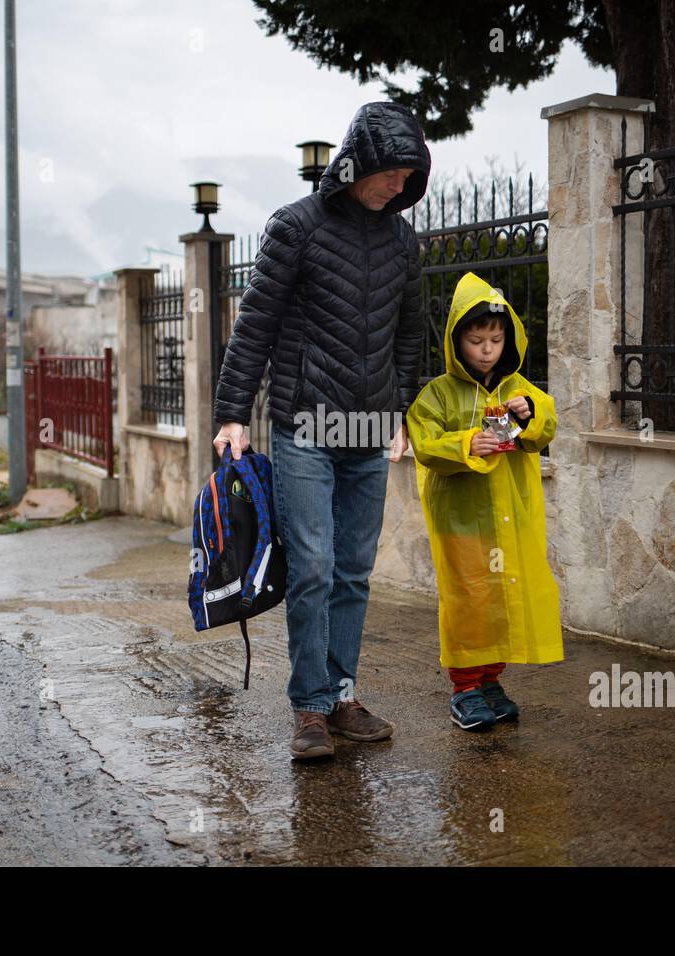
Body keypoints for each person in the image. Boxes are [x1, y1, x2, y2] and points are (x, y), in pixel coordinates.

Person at [211, 102, 431, 761]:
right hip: (305, 425)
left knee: (354, 573)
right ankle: (309, 708)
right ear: (359, 163)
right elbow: (255, 325)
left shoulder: (402, 241)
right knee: (311, 567)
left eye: (409, 176)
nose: (399, 186)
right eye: (392, 172)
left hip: (368, 429)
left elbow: (411, 333)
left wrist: (406, 413)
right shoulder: (296, 227)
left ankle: (340, 695)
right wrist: (231, 413)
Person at [405, 271, 563, 731]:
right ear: (458, 341)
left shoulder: (519, 388)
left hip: (511, 517)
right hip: (461, 521)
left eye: (496, 338)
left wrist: (529, 415)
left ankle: (492, 680)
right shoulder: (438, 393)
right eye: (476, 340)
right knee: (469, 599)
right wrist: (466, 443)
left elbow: (545, 427)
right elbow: (425, 442)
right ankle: (465, 687)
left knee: (503, 596)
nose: (488, 349)